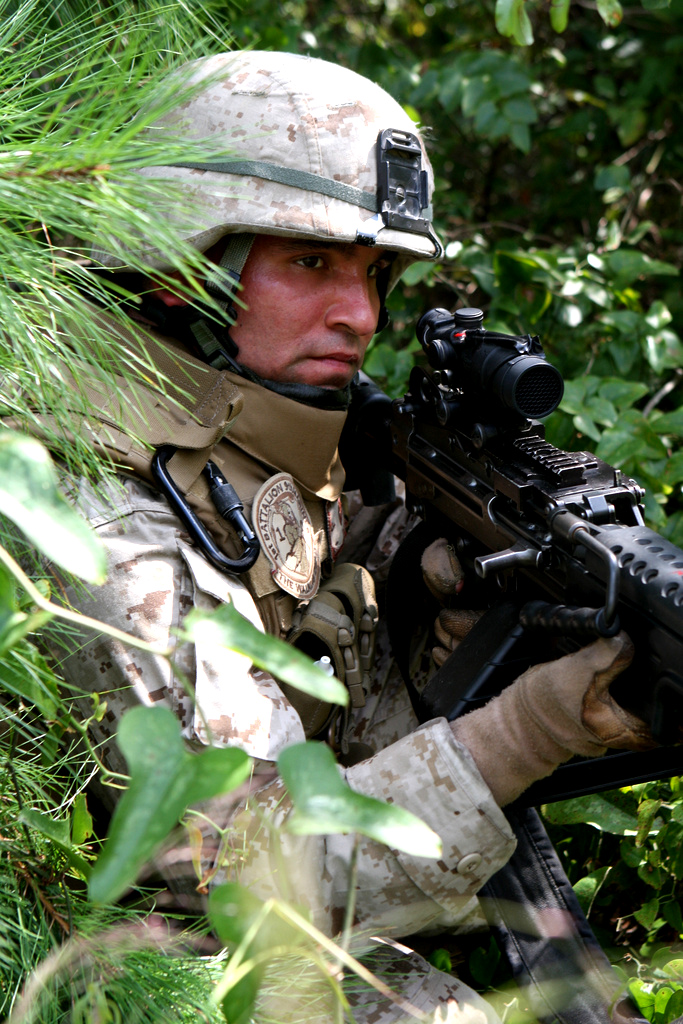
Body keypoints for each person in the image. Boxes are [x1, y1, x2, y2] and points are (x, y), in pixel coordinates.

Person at [56, 50, 652, 1023]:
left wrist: (420, 583)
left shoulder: (254, 433)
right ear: (179, 268)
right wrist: (523, 730)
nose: (359, 313)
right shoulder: (101, 531)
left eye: (373, 273)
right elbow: (244, 883)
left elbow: (303, 595)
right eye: (310, 262)